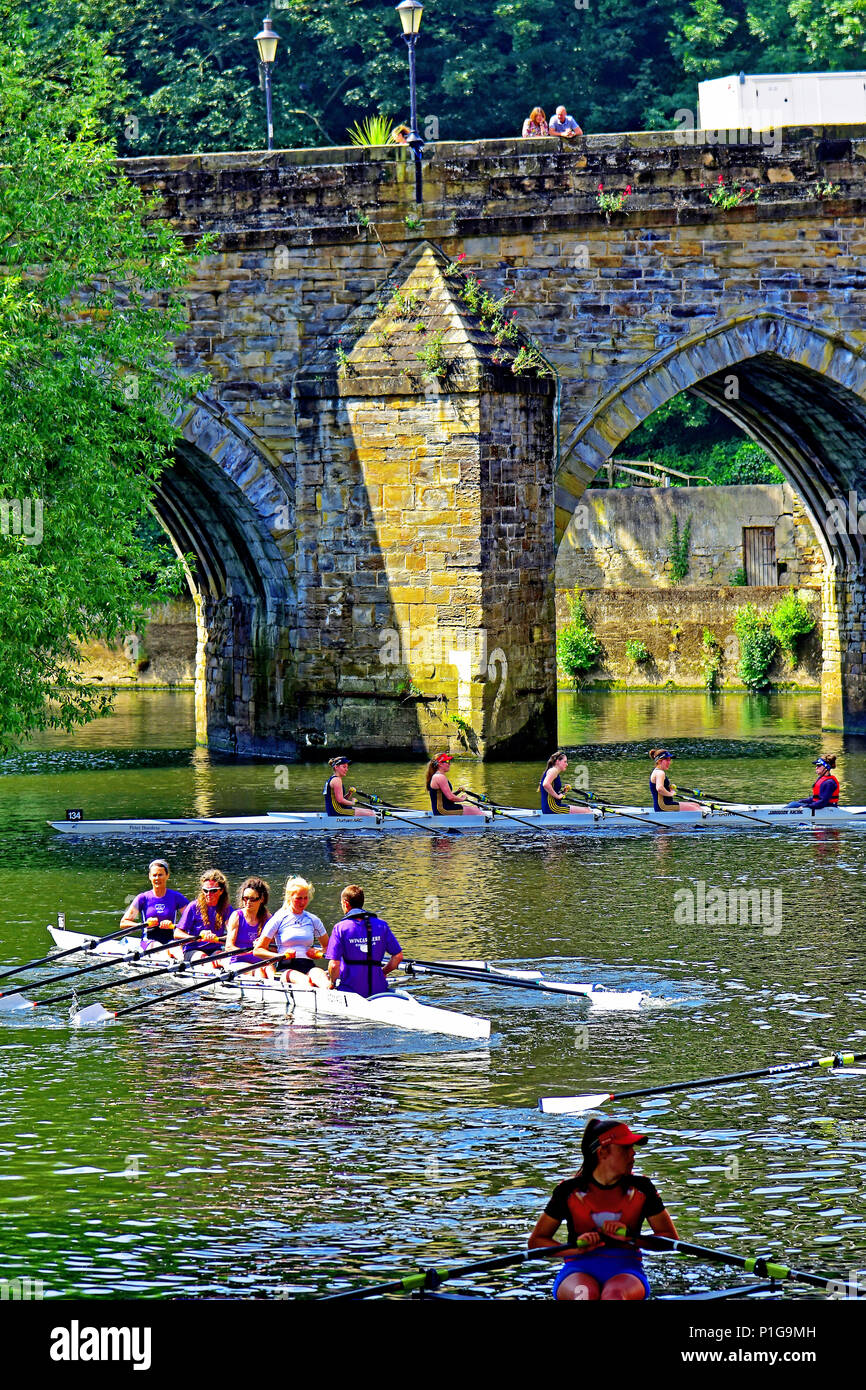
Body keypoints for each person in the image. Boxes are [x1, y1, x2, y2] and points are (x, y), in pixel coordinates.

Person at [528, 1119, 678, 1301]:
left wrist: (631, 1238)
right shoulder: (568, 1190)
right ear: (603, 1152)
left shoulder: (642, 1188)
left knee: (614, 1296)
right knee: (584, 1296)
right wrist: (576, 1248)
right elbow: (536, 1242)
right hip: (577, 1269)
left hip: (627, 1270)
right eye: (625, 1148)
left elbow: (669, 1237)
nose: (633, 1154)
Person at [325, 884, 403, 998]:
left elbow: (333, 965)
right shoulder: (382, 925)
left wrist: (332, 983)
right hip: (379, 990)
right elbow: (398, 956)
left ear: (346, 904)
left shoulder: (340, 928)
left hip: (350, 991)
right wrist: (383, 973)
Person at [254, 875, 330, 988]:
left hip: (308, 965)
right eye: (299, 898)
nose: (303, 902)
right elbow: (258, 950)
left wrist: (318, 954)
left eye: (305, 898)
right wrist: (281, 955)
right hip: (285, 968)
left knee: (324, 980)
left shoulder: (313, 920)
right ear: (290, 897)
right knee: (306, 982)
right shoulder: (278, 918)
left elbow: (328, 948)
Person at [120, 860, 189, 944]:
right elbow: (123, 923)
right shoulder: (143, 898)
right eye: (154, 875)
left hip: (170, 941)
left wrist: (174, 925)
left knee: (176, 951)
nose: (157, 878)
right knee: (156, 946)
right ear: (150, 876)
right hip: (148, 941)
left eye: (160, 875)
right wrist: (144, 924)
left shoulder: (176, 897)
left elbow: (192, 921)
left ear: (167, 876)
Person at [174, 870, 233, 958]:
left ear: (221, 891)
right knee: (203, 957)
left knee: (222, 958)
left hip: (215, 949)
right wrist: (198, 938)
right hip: (193, 949)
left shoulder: (227, 909)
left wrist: (216, 939)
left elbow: (232, 935)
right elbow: (177, 933)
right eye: (205, 890)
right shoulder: (193, 906)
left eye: (213, 891)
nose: (208, 894)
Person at [225, 877, 271, 969]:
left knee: (270, 969)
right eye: (245, 898)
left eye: (252, 899)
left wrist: (263, 945)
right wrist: (248, 953)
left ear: (261, 899)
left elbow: (274, 948)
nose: (248, 902)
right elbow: (229, 947)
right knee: (258, 971)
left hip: (260, 962)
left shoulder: (268, 918)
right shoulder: (237, 916)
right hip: (239, 962)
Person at [648, 748, 700, 813]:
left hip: (666, 804)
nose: (669, 762)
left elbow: (660, 788)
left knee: (695, 805)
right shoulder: (660, 773)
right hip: (663, 806)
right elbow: (659, 789)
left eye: (670, 760)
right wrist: (670, 794)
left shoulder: (657, 771)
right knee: (694, 808)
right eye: (667, 760)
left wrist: (669, 788)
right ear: (659, 761)